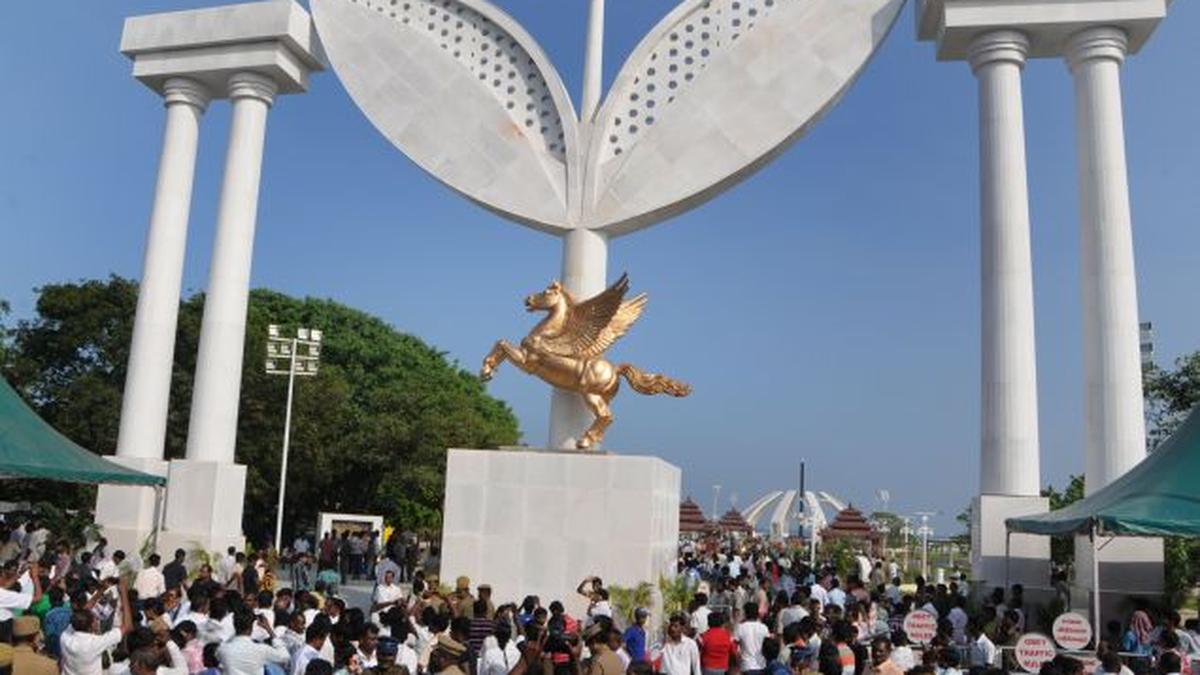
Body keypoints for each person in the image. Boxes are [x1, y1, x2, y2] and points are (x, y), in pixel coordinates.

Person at [61, 575, 132, 675]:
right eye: (95, 620)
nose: (96, 619)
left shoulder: (66, 636)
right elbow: (128, 627)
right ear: (91, 627)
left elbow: (84, 612)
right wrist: (124, 593)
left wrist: (102, 589)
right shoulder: (95, 643)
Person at [218, 610, 291, 675]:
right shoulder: (261, 649)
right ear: (251, 628)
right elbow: (285, 656)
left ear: (234, 625)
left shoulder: (222, 649)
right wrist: (269, 630)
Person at [0, 561, 42, 642]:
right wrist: (35, 577)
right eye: (4, 576)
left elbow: (4, 587)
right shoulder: (4, 596)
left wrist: (19, 574)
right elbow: (38, 598)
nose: (6, 579)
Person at [735, 602, 769, 675]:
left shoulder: (740, 627)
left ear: (745, 613)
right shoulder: (763, 627)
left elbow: (734, 646)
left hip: (746, 665)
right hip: (761, 664)